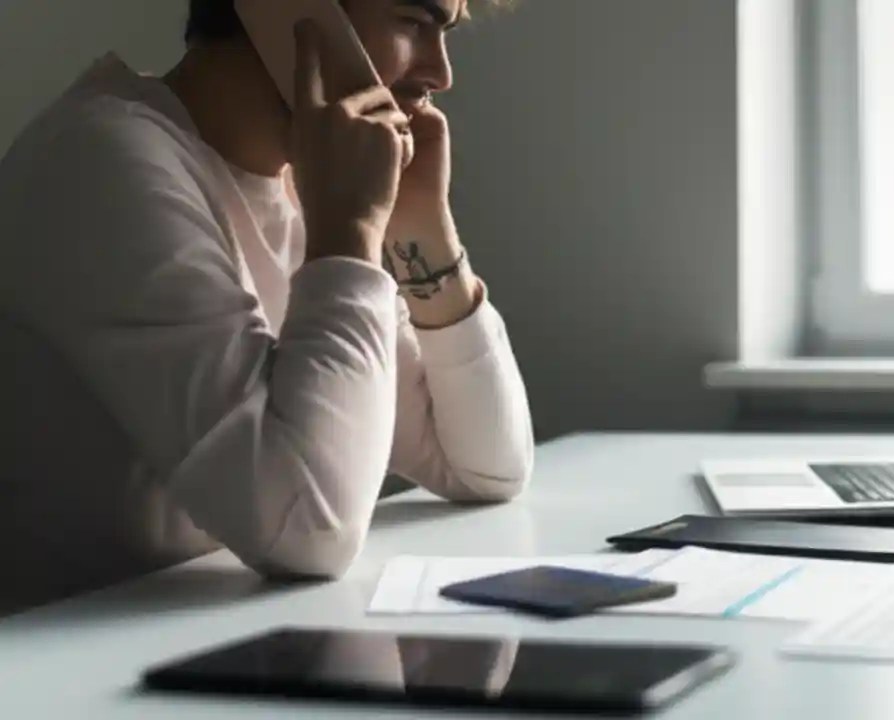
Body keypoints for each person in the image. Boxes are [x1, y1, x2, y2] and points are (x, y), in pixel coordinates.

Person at [0, 0, 533, 616]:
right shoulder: (102, 162)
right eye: (413, 20)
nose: (440, 74)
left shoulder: (307, 182)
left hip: (206, 644)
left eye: (446, 32)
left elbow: (485, 466)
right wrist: (351, 233)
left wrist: (423, 232)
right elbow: (307, 533)